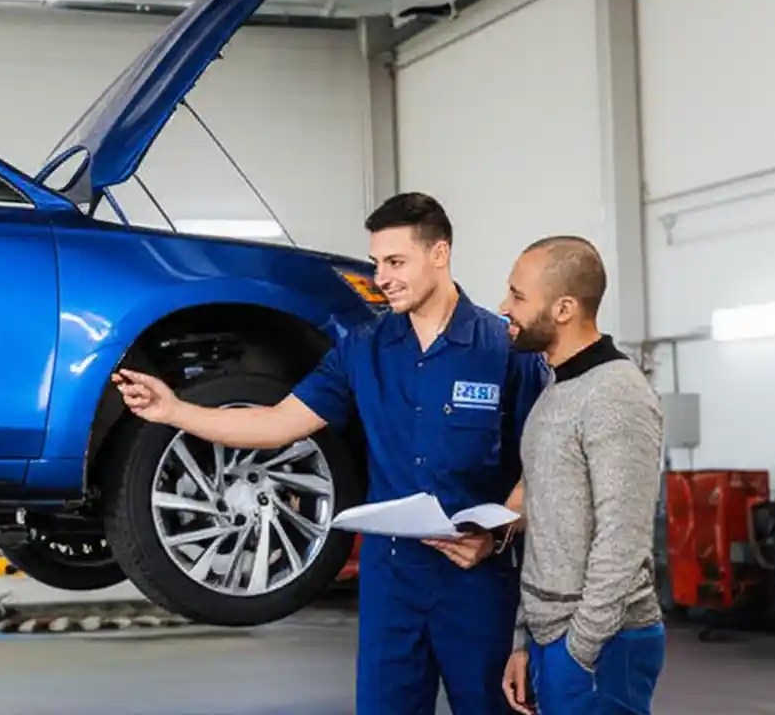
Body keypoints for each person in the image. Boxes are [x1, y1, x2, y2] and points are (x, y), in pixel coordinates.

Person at [113, 192, 549, 714]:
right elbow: (277, 423)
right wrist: (175, 411)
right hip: (392, 581)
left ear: (440, 254)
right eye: (376, 263)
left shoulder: (504, 350)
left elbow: (541, 469)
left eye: (395, 262)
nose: (382, 278)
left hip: (476, 579)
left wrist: (499, 534)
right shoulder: (363, 348)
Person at [496, 235, 666, 714]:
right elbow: (547, 533)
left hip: (602, 644)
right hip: (553, 637)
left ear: (565, 308)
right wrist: (524, 639)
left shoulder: (616, 394)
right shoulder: (555, 392)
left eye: (518, 296)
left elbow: (623, 539)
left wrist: (581, 649)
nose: (504, 307)